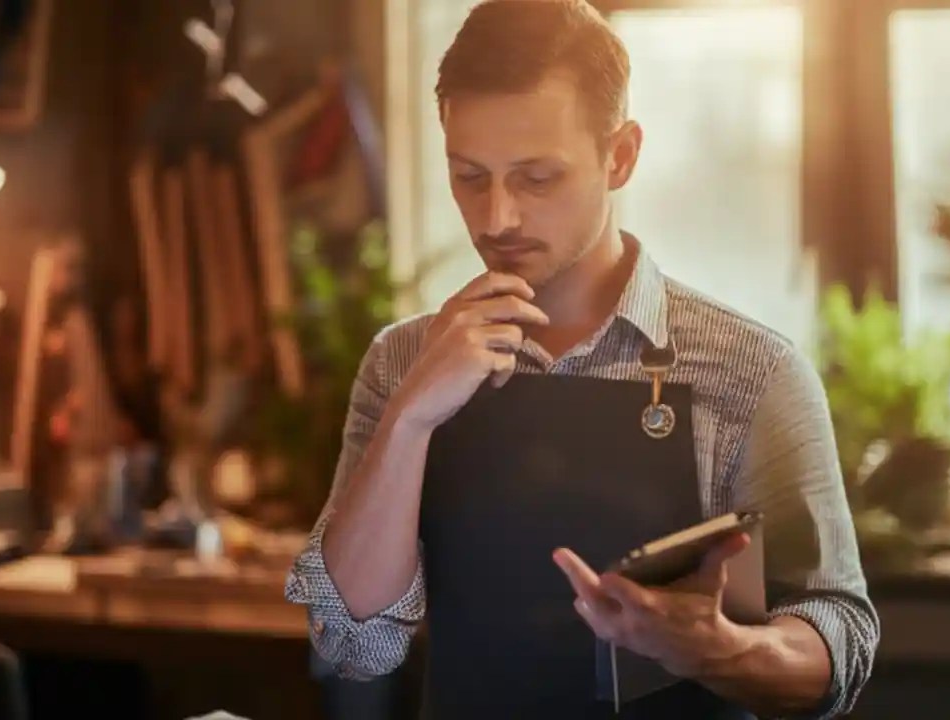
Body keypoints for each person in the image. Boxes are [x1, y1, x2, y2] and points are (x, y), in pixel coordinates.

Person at [286, 1, 879, 718]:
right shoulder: (401, 361)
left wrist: (723, 650)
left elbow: (839, 643)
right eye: (470, 176)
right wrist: (411, 417)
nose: (497, 217)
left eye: (537, 179)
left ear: (621, 155)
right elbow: (354, 645)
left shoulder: (753, 373)